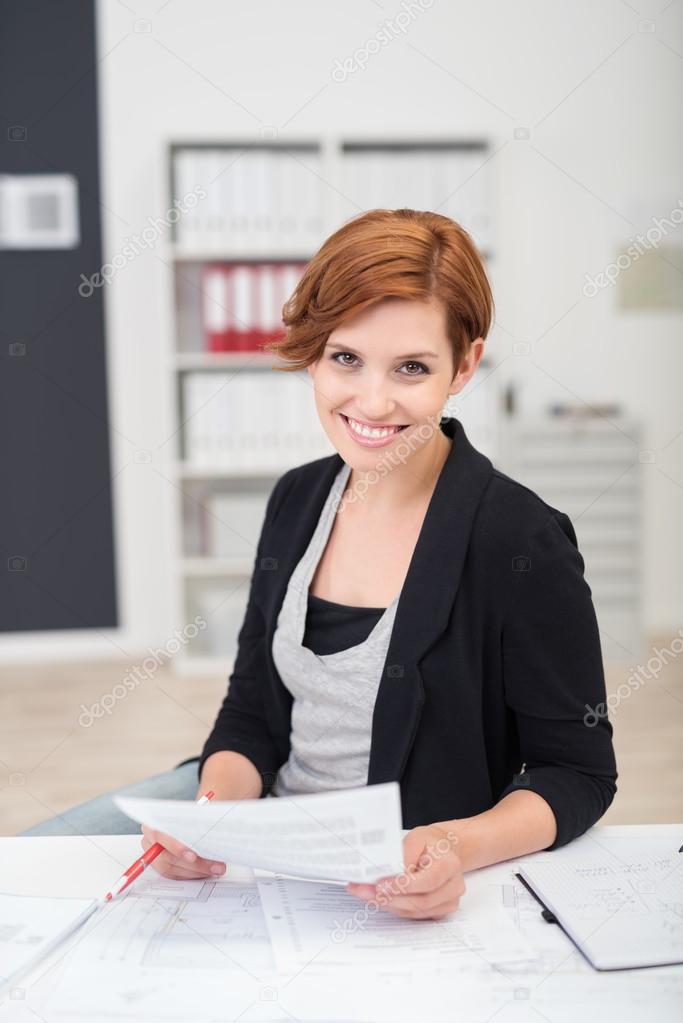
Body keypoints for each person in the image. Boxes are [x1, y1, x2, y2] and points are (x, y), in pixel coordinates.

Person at [23, 209, 617, 922]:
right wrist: (210, 813)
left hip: (395, 866)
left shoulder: (519, 540)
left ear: (463, 365)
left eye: (411, 367)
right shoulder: (298, 498)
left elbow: (577, 771)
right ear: (312, 352)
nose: (371, 400)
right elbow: (252, 713)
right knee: (30, 869)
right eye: (344, 358)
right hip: (264, 831)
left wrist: (451, 845)